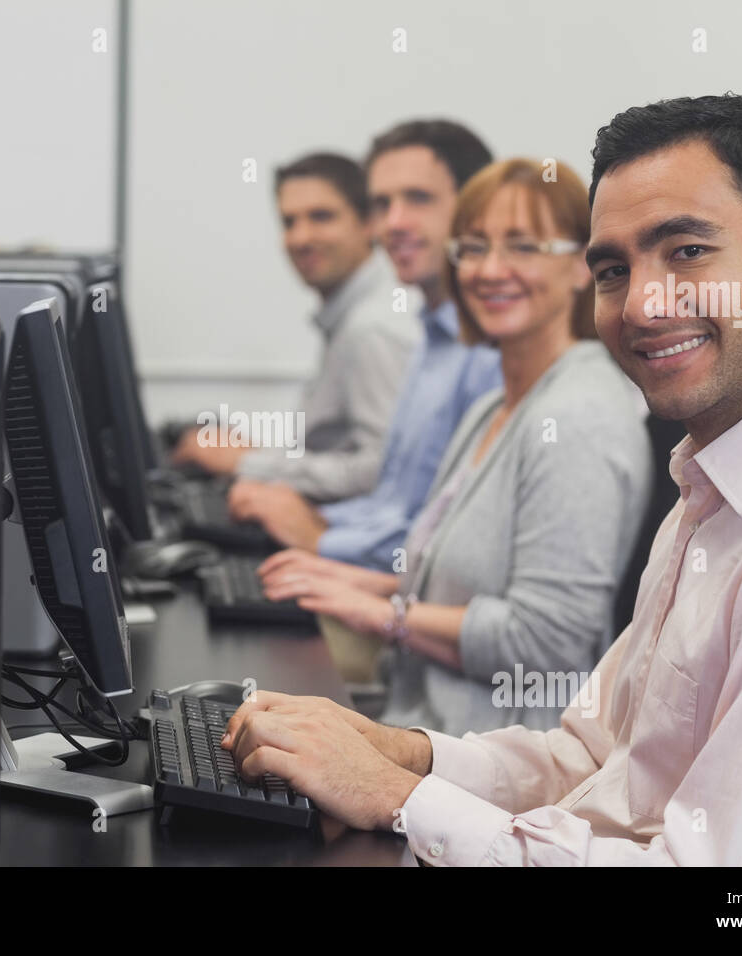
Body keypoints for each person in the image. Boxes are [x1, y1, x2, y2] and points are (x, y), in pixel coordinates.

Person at [221, 93, 742, 865]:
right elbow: (591, 757)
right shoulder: (707, 498)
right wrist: (404, 755)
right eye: (614, 268)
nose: (642, 303)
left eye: (686, 251)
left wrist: (400, 801)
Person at [258, 158, 651, 737]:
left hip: (497, 761)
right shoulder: (496, 406)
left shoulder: (577, 417)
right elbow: (466, 581)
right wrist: (357, 585)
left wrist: (382, 614)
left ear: (578, 266)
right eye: (472, 247)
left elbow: (544, 643)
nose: (490, 269)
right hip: (424, 720)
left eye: (522, 246)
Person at [227, 120, 502, 560]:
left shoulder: (487, 352)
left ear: (478, 208)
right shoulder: (433, 337)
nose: (393, 223)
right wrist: (315, 522)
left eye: (418, 198)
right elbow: (398, 507)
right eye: (381, 204)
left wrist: (320, 537)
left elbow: (464, 551)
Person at [169, 153, 418, 502]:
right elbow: (335, 443)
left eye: (321, 217)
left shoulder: (372, 327)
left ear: (369, 223)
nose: (301, 238)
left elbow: (380, 470)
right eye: (289, 222)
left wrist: (247, 462)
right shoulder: (351, 315)